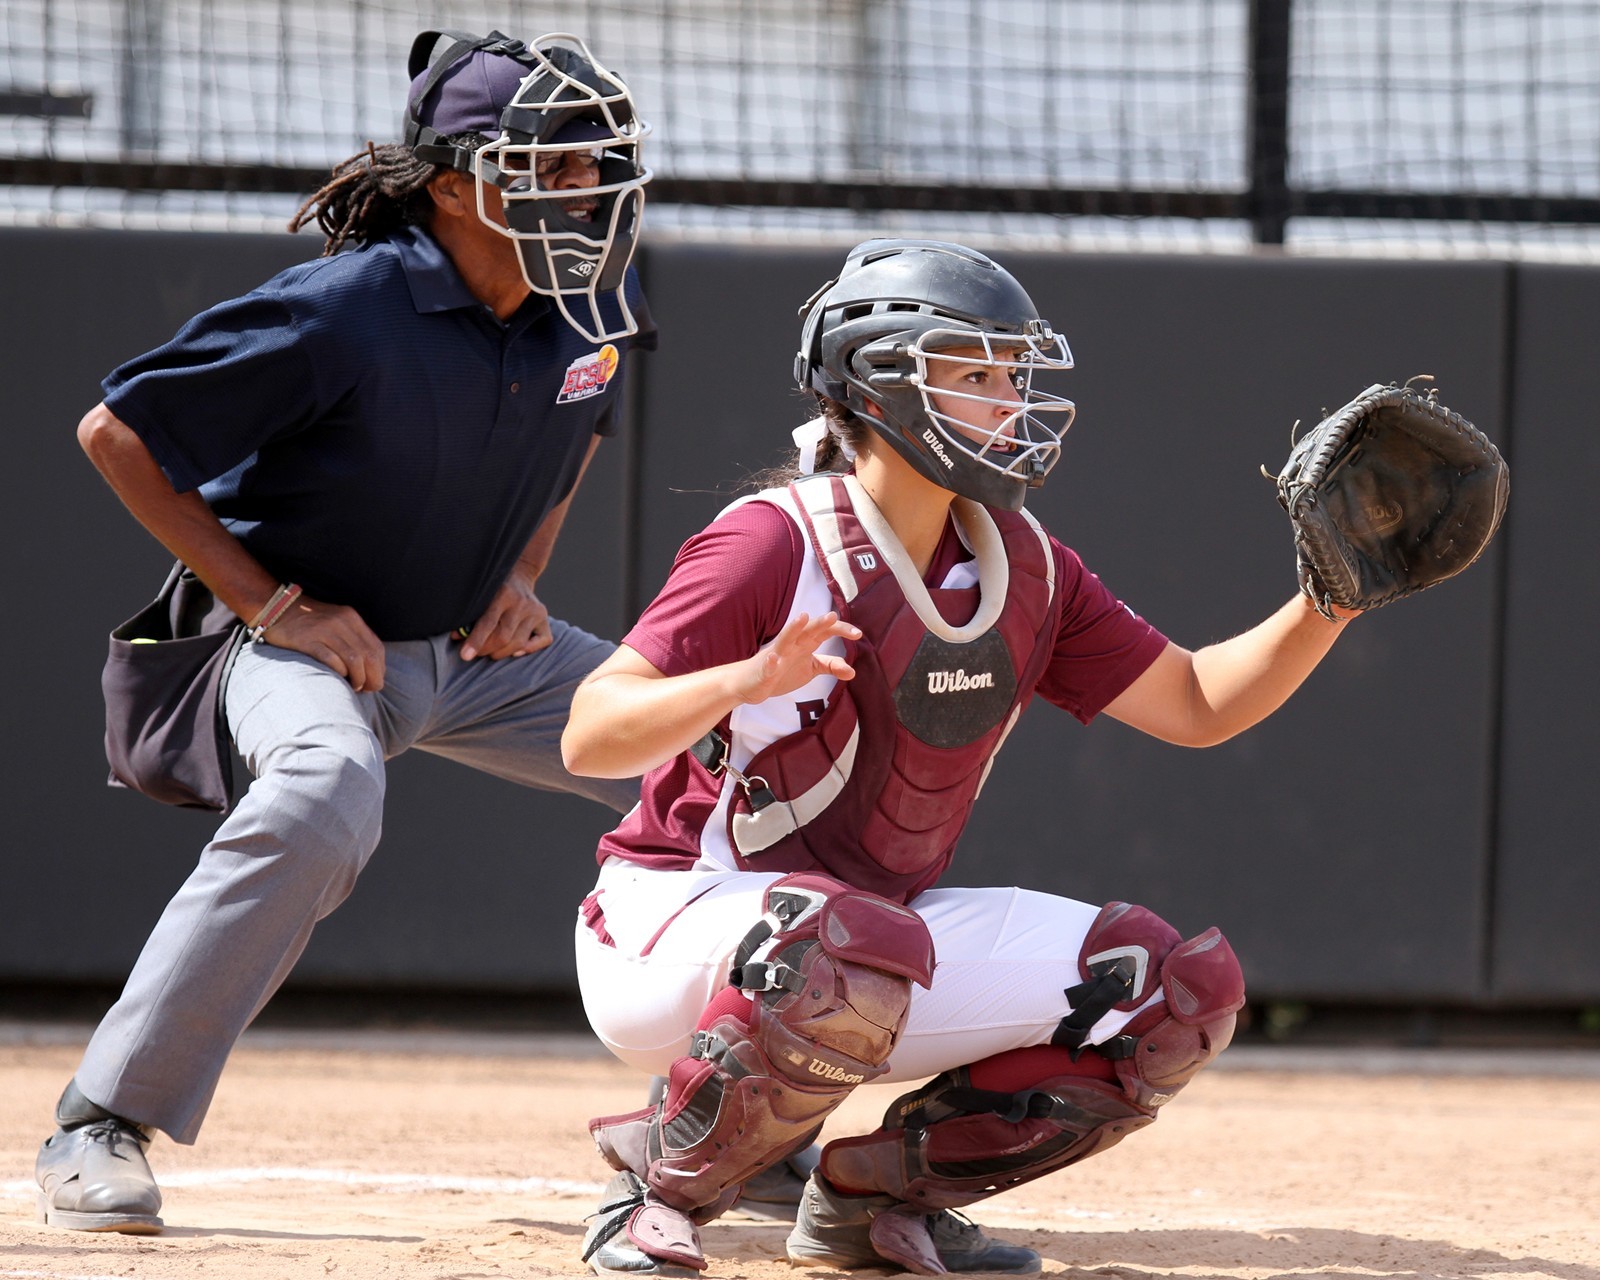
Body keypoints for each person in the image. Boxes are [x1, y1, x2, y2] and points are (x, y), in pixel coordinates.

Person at [560, 238, 1367, 1277]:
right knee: (855, 941)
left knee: (1167, 989)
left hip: (861, 942)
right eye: (974, 373)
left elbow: (1198, 702)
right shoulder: (776, 538)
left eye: (1012, 373)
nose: (1008, 399)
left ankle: (873, 1195)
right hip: (668, 926)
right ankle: (655, 1185)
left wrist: (1328, 600)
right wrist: (739, 680)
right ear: (881, 385)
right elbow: (591, 728)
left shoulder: (1024, 561)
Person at [36, 29, 653, 1234]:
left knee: (748, 757)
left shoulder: (592, 295)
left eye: (597, 163)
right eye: (554, 164)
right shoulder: (348, 305)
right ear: (454, 182)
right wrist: (275, 602)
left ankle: (752, 1102)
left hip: (478, 661)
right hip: (282, 648)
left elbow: (577, 430)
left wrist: (524, 568)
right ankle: (100, 1117)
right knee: (324, 790)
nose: (587, 188)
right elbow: (116, 434)